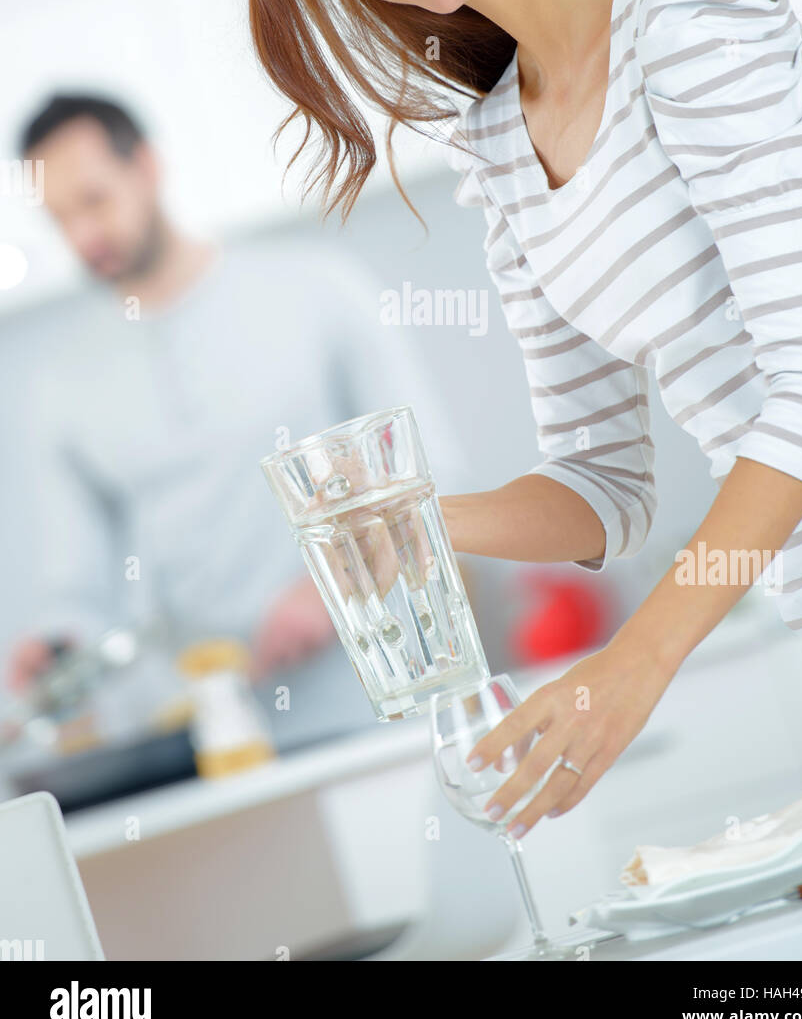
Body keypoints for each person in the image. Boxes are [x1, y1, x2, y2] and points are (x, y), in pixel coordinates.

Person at [219, 0, 802, 819]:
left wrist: (637, 660)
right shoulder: (500, 145)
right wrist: (410, 517)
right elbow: (601, 489)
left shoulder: (680, 6)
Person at [3, 91, 468, 740]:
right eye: (60, 219)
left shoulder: (317, 291)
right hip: (215, 730)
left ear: (147, 167)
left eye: (94, 200)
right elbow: (79, 585)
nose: (84, 236)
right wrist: (57, 646)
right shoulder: (62, 385)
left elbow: (429, 472)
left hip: (382, 697)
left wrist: (335, 588)